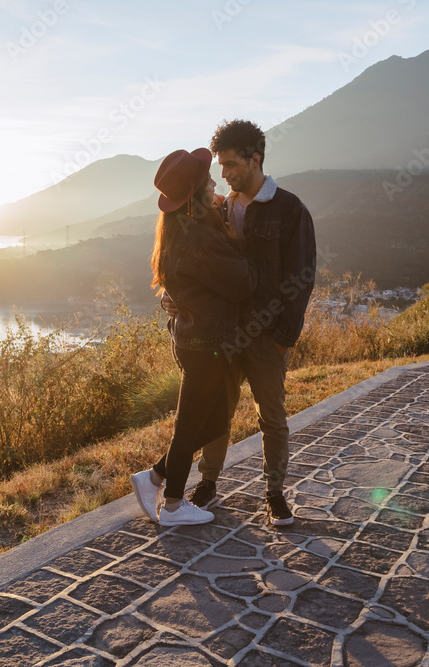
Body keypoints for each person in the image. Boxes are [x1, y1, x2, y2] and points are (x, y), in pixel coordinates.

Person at [163, 119, 316, 526]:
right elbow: (192, 261)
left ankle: (274, 492)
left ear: (255, 158)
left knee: (273, 416)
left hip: (267, 337)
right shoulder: (221, 206)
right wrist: (174, 296)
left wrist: (284, 338)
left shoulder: (289, 209)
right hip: (224, 336)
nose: (225, 174)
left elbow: (302, 277)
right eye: (221, 166)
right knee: (219, 412)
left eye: (231, 165)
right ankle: (208, 483)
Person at [130, 147, 257, 527]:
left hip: (195, 339)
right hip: (206, 344)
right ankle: (171, 504)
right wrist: (238, 241)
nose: (216, 182)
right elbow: (244, 283)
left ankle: (153, 477)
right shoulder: (199, 238)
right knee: (192, 424)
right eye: (208, 180)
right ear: (196, 192)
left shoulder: (177, 230)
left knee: (215, 420)